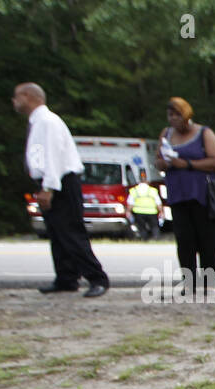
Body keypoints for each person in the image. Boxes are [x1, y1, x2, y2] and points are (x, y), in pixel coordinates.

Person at [11, 83, 108, 297]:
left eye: (17, 97)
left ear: (28, 96)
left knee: (71, 232)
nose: (14, 101)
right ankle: (66, 278)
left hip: (60, 182)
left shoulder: (47, 121)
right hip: (50, 182)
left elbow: (53, 156)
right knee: (56, 233)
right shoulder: (37, 122)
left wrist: (48, 187)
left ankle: (97, 278)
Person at [154, 97, 215, 296]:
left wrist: (186, 164)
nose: (173, 119)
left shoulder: (204, 133)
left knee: (208, 240)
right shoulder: (166, 134)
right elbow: (158, 160)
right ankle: (189, 283)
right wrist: (163, 163)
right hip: (178, 195)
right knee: (184, 241)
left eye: (177, 114)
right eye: (170, 115)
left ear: (186, 115)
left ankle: (211, 283)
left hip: (203, 195)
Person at [129, 170, 162, 240]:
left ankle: (144, 239)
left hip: (138, 212)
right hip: (152, 212)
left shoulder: (134, 190)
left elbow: (130, 203)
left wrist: (128, 211)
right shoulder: (152, 190)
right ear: (147, 181)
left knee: (142, 227)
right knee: (154, 227)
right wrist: (161, 212)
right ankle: (156, 239)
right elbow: (158, 203)